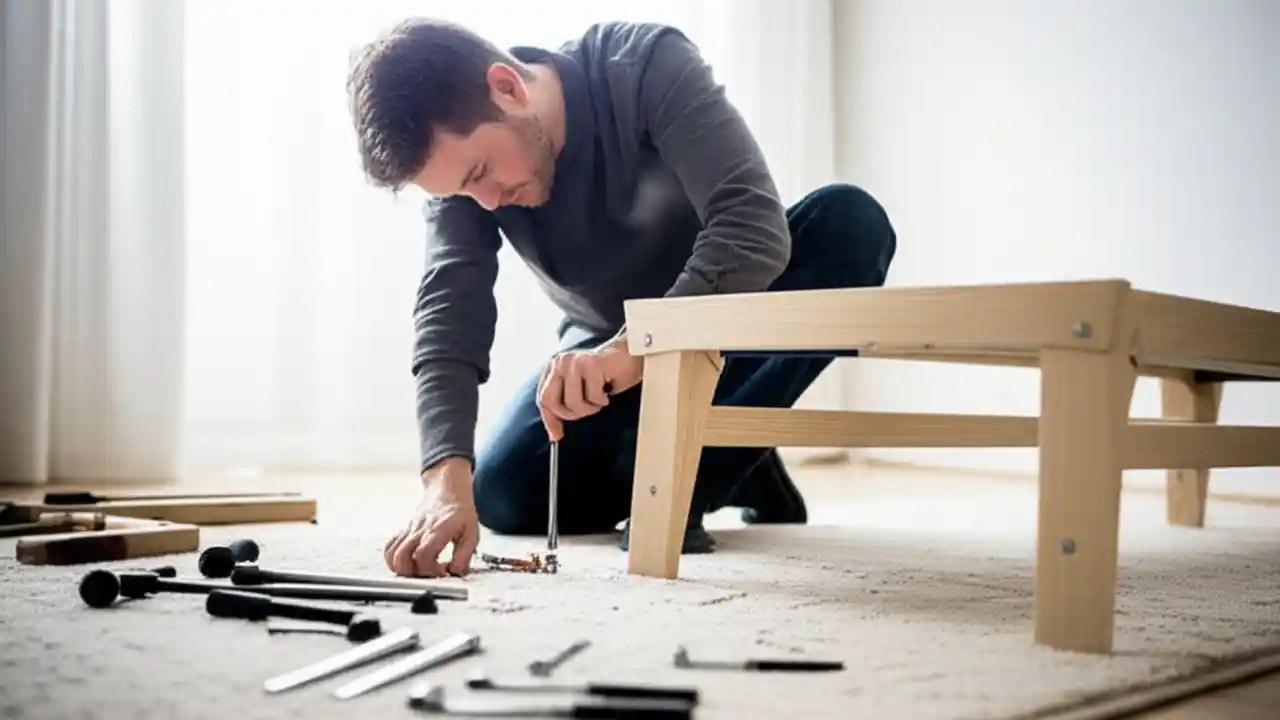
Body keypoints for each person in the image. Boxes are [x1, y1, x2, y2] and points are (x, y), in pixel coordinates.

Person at [346, 18, 897, 578]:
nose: (486, 202)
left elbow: (750, 224)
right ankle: (727, 454)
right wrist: (444, 482)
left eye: (482, 173)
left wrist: (640, 345)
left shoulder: (644, 66)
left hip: (730, 325)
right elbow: (449, 314)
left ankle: (692, 472)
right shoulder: (466, 182)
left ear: (508, 87)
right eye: (465, 189)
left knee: (850, 224)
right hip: (610, 360)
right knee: (504, 491)